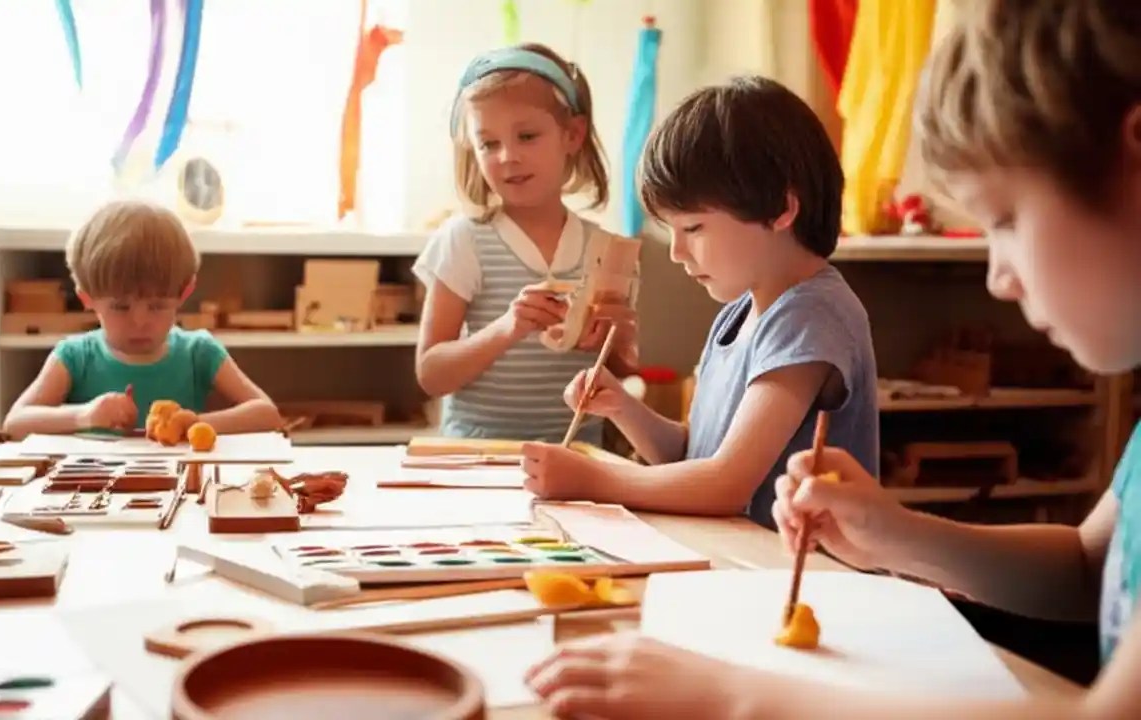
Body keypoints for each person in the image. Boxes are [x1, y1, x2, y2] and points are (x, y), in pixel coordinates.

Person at [525, 2, 1141, 718]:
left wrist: (740, 697)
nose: (998, 278)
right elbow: (1087, 567)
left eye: (1004, 219)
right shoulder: (739, 312)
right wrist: (896, 533)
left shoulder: (812, 308)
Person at [522, 76, 878, 528]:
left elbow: (726, 485)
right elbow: (694, 455)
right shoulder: (738, 314)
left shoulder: (810, 315)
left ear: (780, 210)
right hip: (746, 561)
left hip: (808, 582)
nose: (676, 252)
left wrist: (595, 479)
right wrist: (623, 409)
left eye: (693, 229)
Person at [413, 43, 639, 446]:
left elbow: (619, 374)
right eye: (488, 143)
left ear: (572, 134)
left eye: (527, 136)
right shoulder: (464, 240)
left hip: (576, 455)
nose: (508, 157)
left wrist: (617, 337)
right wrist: (508, 328)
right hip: (477, 460)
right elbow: (431, 374)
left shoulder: (604, 248)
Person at [2, 200, 281, 437]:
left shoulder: (199, 353)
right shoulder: (75, 357)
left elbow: (268, 416)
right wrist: (83, 416)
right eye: (121, 307)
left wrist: (195, 424)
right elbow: (14, 425)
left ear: (184, 293)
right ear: (87, 297)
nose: (139, 321)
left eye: (158, 306)